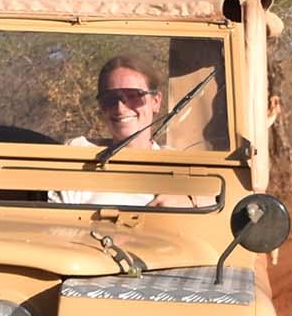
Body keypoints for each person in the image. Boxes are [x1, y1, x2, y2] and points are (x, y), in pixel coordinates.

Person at [53, 56, 191, 208]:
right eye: (110, 99)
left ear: (156, 101)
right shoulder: (80, 155)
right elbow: (52, 224)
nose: (120, 107)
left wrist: (192, 201)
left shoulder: (177, 167)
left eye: (133, 96)